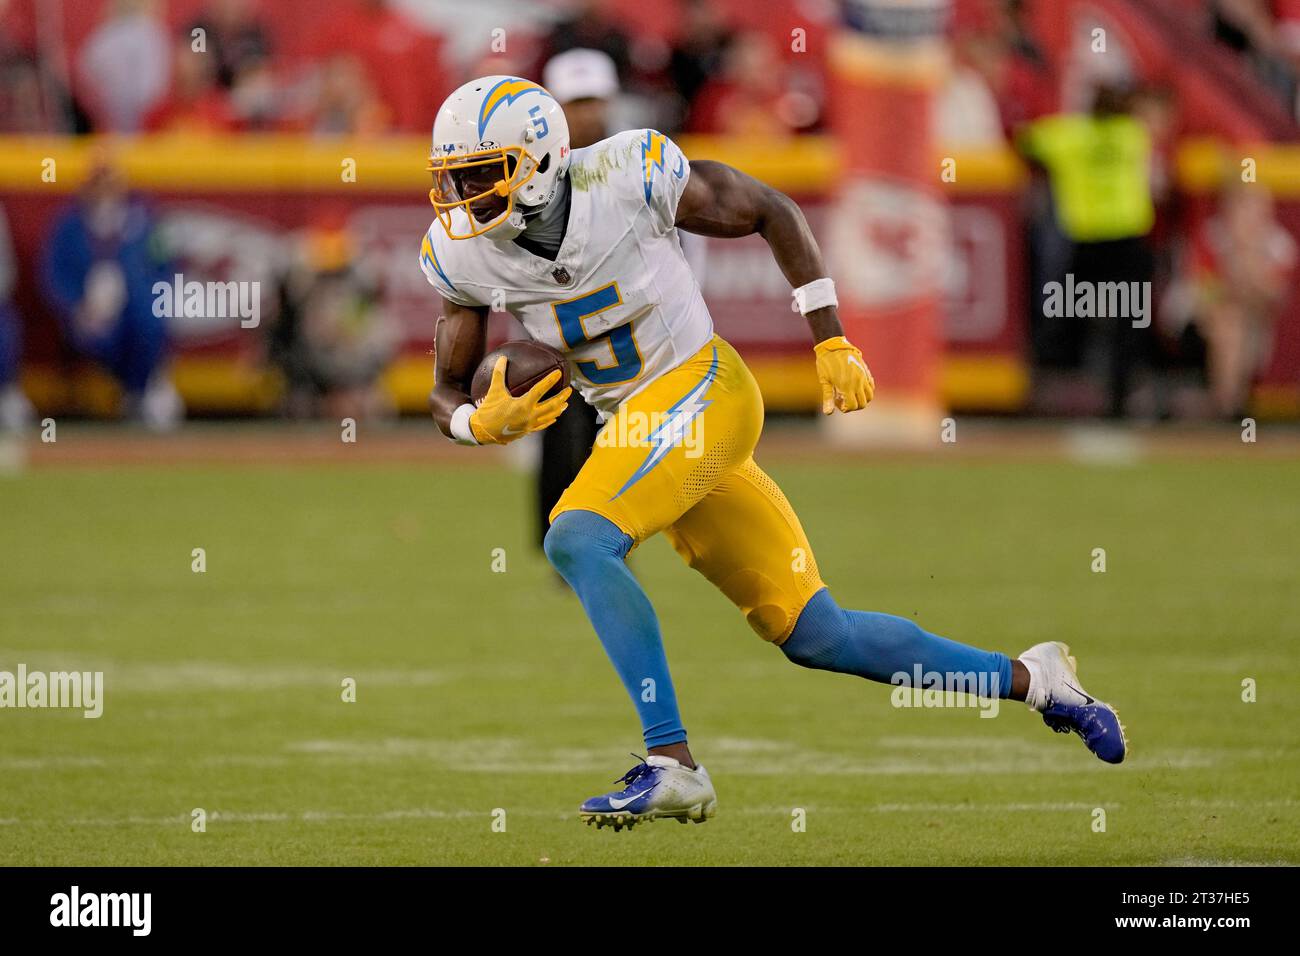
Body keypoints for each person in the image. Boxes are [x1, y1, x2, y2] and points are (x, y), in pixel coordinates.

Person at [420, 76, 1127, 829]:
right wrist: (473, 424)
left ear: (540, 162)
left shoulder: (624, 173)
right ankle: (1037, 680)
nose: (461, 195)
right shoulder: (465, 258)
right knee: (820, 635)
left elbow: (769, 210)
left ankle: (670, 762)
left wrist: (830, 336)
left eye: (480, 174)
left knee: (577, 538)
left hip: (706, 387)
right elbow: (445, 386)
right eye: (453, 177)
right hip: (643, 430)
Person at [531, 49, 620, 555]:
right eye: (574, 102)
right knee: (559, 438)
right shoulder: (533, 171)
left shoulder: (634, 160)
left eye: (591, 101)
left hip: (626, 328)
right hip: (557, 329)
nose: (585, 113)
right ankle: (558, 546)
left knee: (625, 442)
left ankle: (609, 543)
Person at [43, 156, 181, 428]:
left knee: (148, 324)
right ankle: (133, 389)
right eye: (99, 182)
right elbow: (54, 275)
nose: (105, 189)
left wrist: (149, 297)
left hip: (137, 306)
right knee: (100, 336)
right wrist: (76, 308)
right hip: (90, 312)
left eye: (111, 182)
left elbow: (165, 266)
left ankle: (143, 388)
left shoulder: (143, 220)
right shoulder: (70, 226)